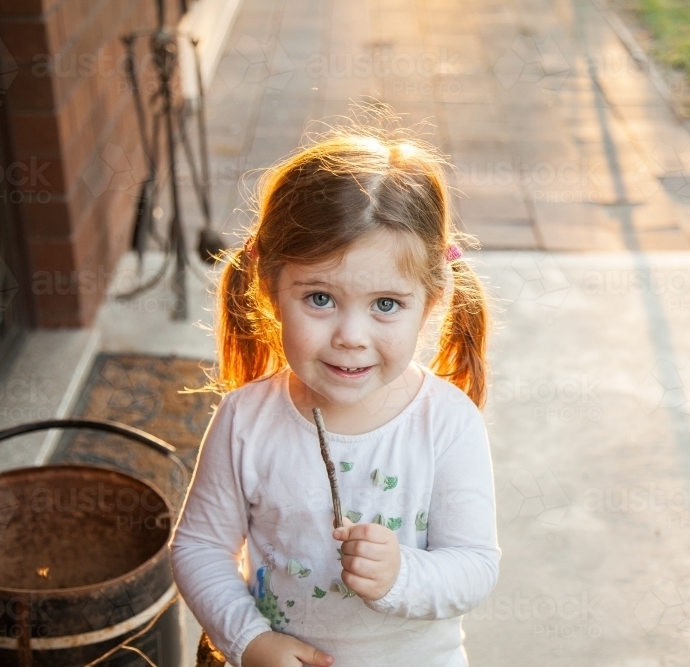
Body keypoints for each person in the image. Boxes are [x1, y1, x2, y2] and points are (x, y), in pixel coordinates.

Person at [170, 119, 500, 667]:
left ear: (433, 300)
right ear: (270, 288)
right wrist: (249, 641)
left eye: (386, 305)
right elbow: (199, 548)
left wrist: (402, 574)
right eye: (320, 298)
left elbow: (475, 566)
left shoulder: (446, 424)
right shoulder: (245, 420)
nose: (351, 335)